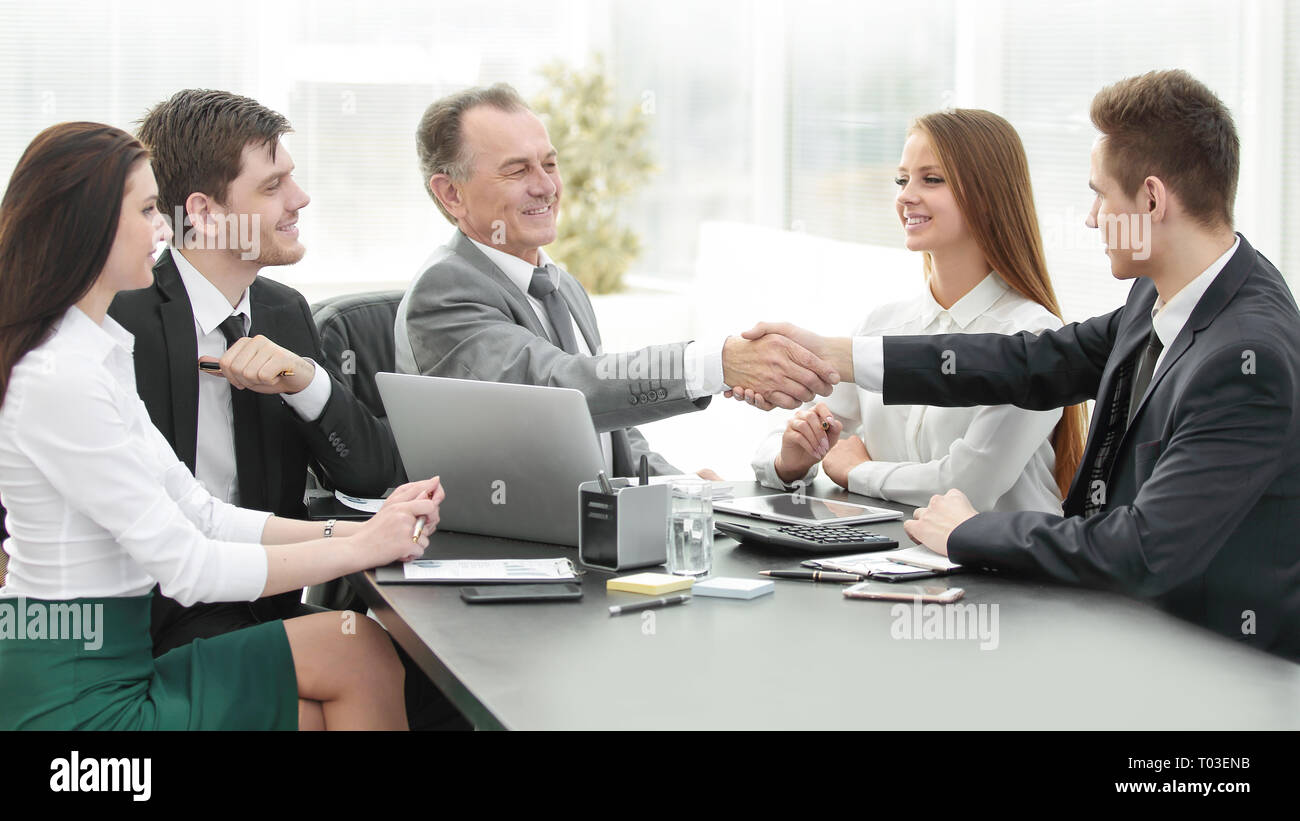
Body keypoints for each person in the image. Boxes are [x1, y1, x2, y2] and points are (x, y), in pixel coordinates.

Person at [733, 70, 1300, 660]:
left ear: (1152, 200)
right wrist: (840, 354)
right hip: (1125, 635)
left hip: (1223, 671)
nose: (1089, 218)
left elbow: (1147, 550)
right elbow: (1028, 362)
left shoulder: (1241, 356)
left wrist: (967, 531)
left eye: (1100, 195)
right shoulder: (1160, 296)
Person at [0, 121, 444, 729]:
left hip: (120, 658)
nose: (164, 229)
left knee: (359, 653)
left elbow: (202, 513)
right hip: (79, 690)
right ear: (90, 226)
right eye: (148, 210)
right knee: (338, 685)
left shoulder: (95, 351)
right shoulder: (62, 376)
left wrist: (362, 534)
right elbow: (187, 565)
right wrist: (363, 548)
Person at [395, 83, 840, 480]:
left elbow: (613, 430)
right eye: (517, 170)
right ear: (451, 193)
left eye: (549, 164)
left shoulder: (560, 286)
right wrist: (716, 363)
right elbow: (558, 390)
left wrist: (680, 486)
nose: (546, 186)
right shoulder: (445, 289)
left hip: (593, 536)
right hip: (508, 554)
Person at [107, 90, 402, 657]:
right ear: (204, 213)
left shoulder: (283, 311)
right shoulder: (123, 318)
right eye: (273, 187)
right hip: (156, 616)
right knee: (364, 660)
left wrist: (307, 383)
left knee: (432, 683)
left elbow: (370, 476)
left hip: (268, 602)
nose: (301, 198)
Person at [751, 109, 1085, 513]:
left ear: (988, 194)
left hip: (1003, 574)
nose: (906, 195)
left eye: (932, 179)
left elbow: (967, 487)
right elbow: (798, 437)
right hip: (895, 565)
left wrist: (857, 471)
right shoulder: (881, 325)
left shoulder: (1033, 339)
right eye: (902, 179)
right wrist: (792, 458)